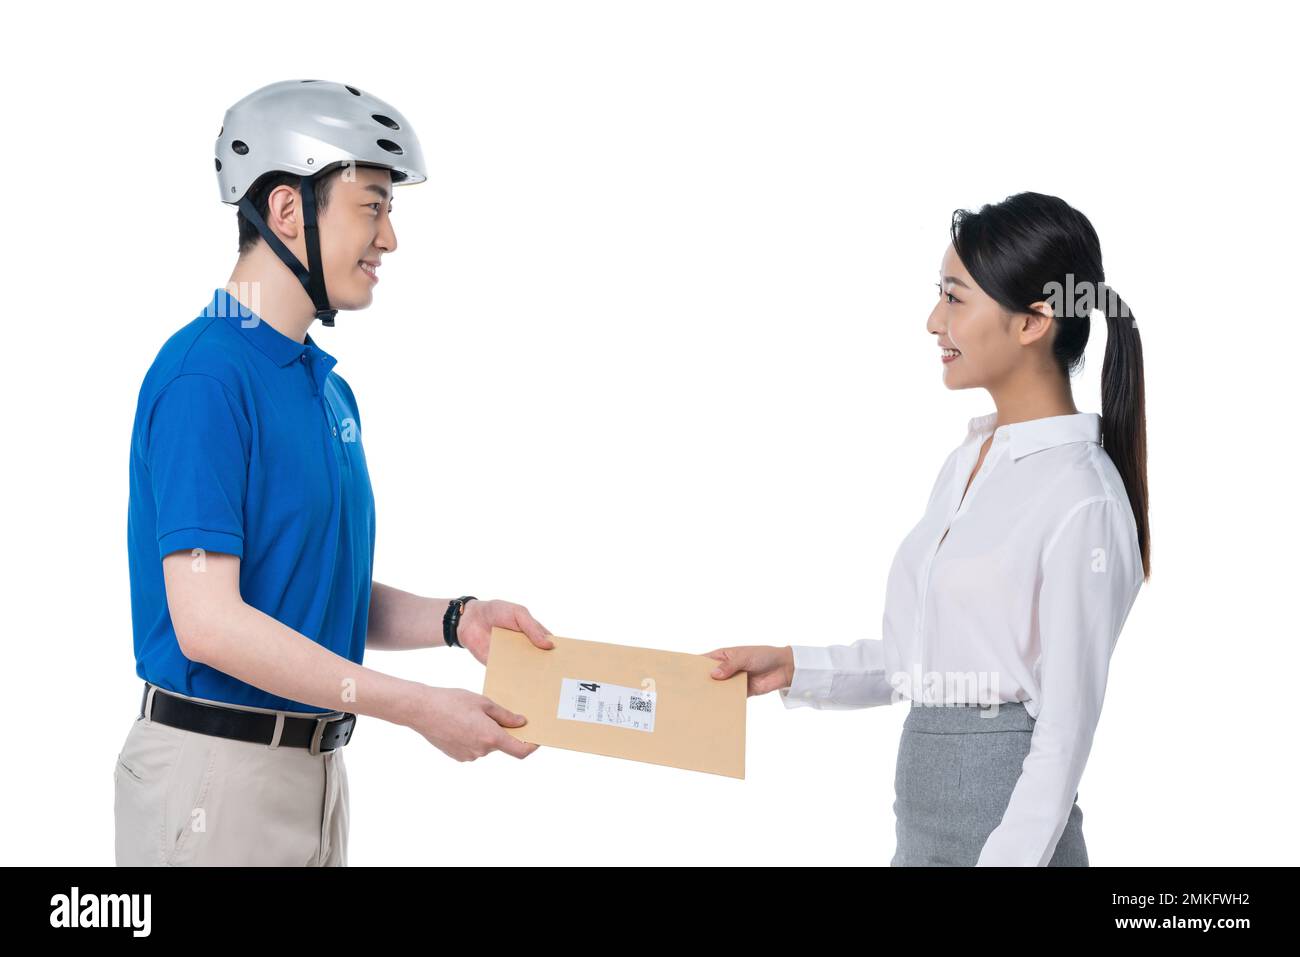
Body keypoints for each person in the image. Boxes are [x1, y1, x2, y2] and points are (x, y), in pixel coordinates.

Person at [117, 79, 555, 867]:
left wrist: (458, 620)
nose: (390, 239)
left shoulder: (321, 384)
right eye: (373, 206)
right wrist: (418, 708)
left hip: (314, 772)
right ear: (287, 211)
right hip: (215, 781)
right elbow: (209, 623)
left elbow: (314, 594)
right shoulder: (204, 379)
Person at [706, 192, 1149, 866]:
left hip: (1012, 845)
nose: (933, 321)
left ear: (1033, 321)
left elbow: (1063, 729)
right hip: (921, 833)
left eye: (955, 298)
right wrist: (795, 665)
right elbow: (919, 661)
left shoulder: (1081, 497)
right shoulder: (967, 464)